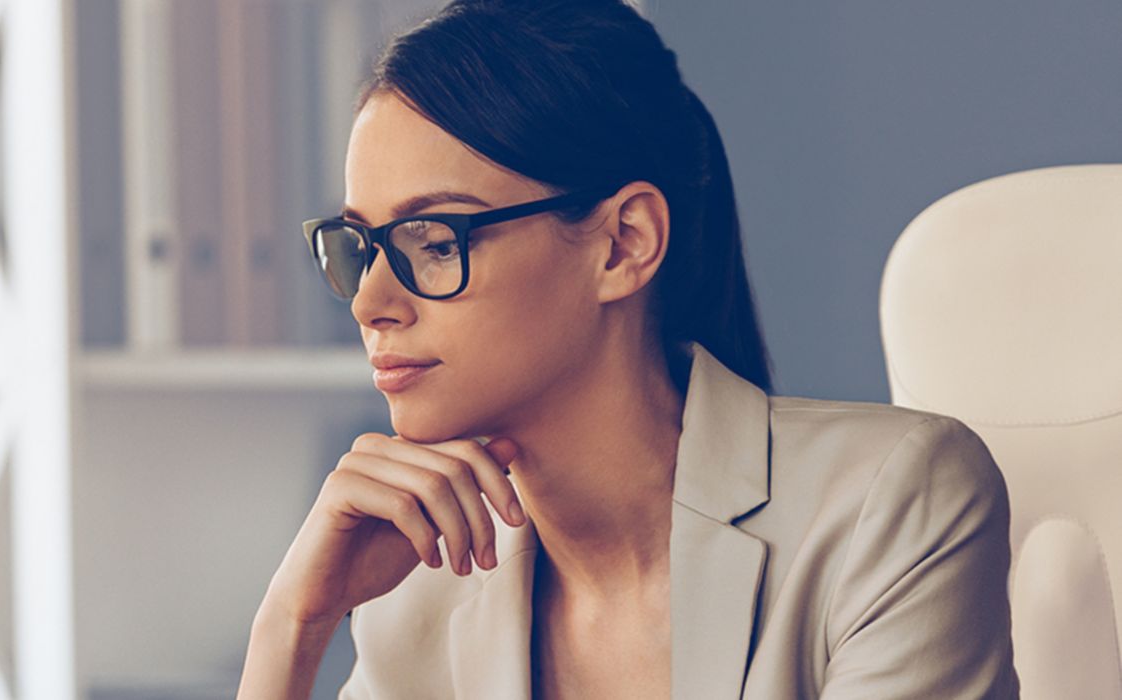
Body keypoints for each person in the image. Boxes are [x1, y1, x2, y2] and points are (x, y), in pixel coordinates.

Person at [238, 1, 1018, 697]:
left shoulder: (889, 505)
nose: (371, 302)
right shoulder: (418, 588)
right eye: (359, 247)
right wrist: (294, 625)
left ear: (622, 244)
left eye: (434, 240)